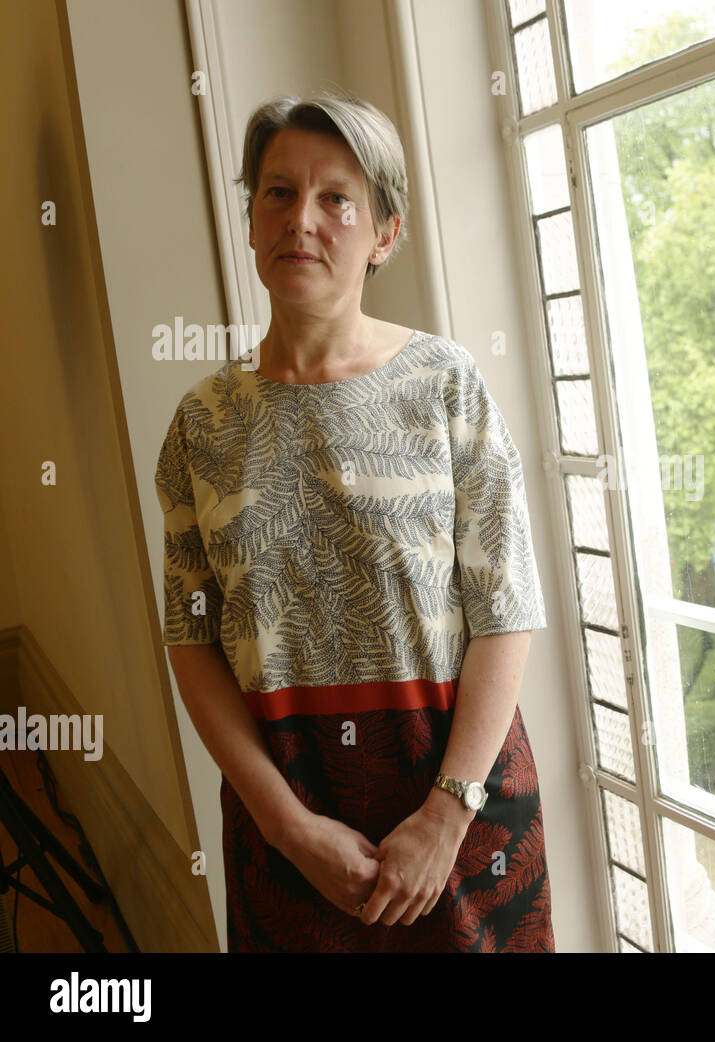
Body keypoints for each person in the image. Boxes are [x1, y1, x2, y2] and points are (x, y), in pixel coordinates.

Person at [154, 90, 554, 952]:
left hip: (458, 807)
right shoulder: (201, 425)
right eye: (278, 192)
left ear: (384, 234)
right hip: (285, 816)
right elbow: (191, 641)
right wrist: (288, 827)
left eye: (337, 198)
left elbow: (506, 609)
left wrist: (446, 815)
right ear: (251, 220)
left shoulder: (444, 384)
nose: (301, 219)